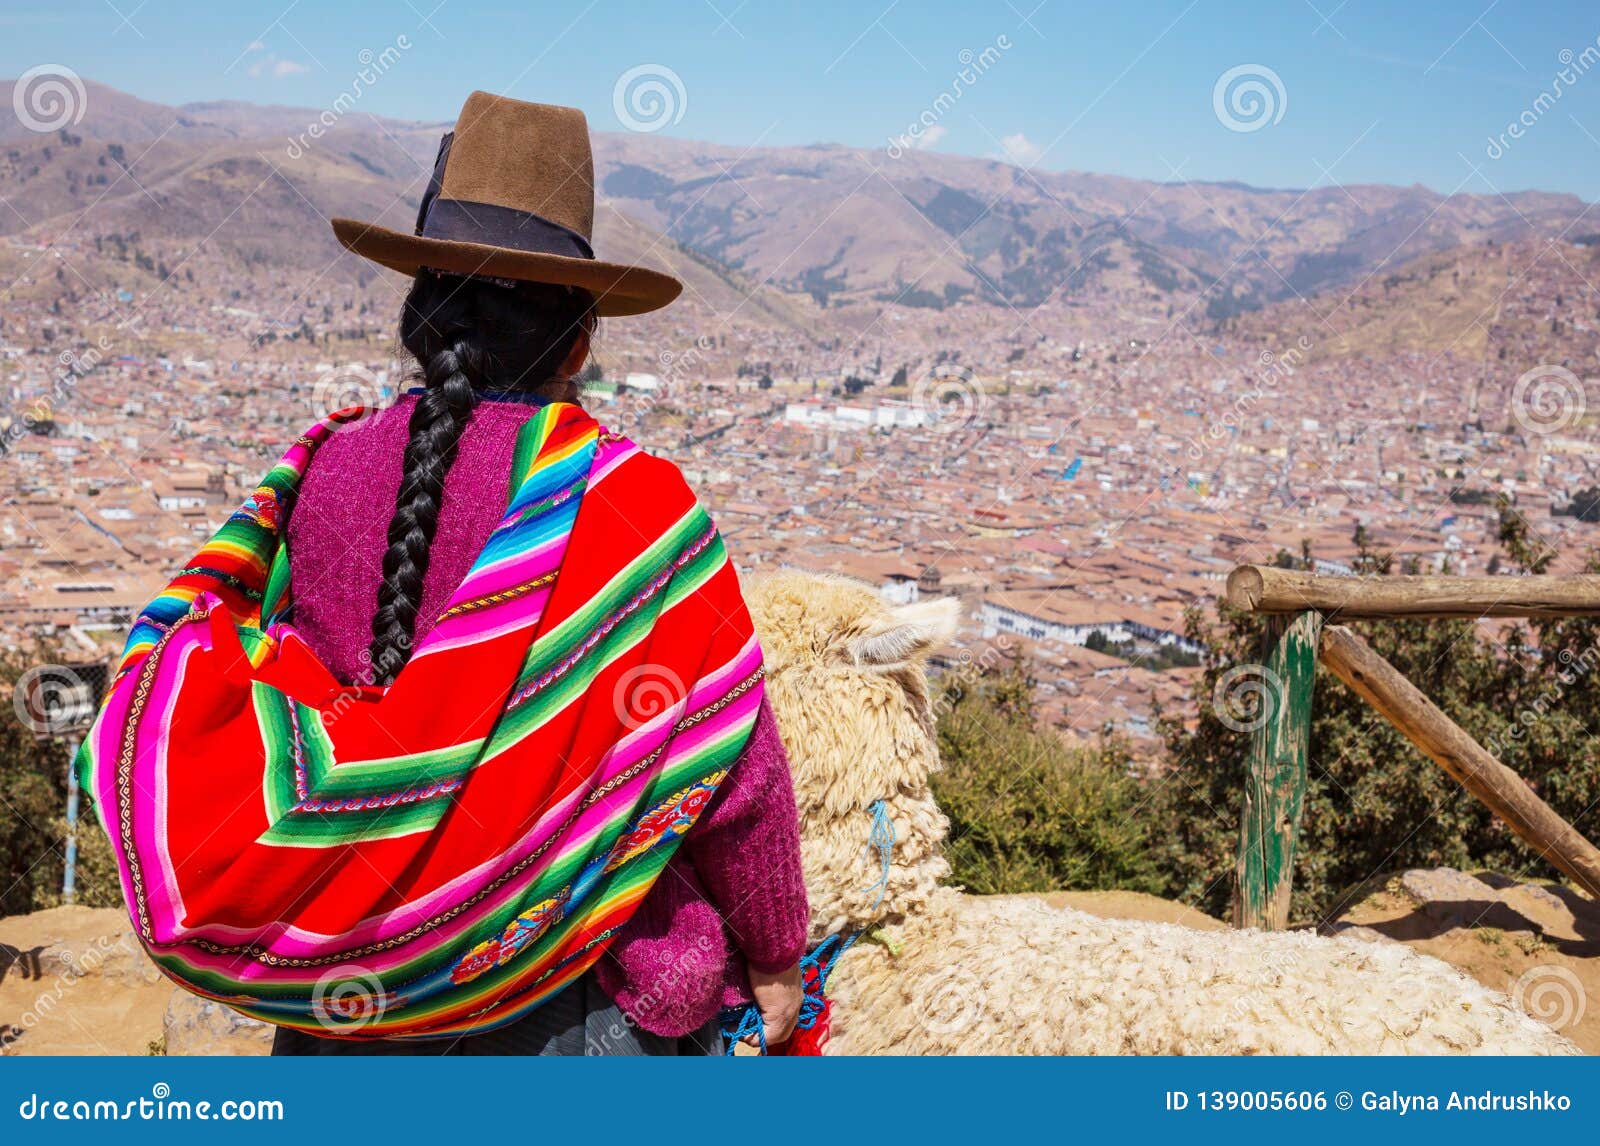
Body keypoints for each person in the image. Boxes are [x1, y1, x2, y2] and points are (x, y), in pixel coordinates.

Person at [78, 93, 808, 1057]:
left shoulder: (326, 466)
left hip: (346, 985)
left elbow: (272, 670)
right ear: (580, 340)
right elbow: (739, 781)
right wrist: (776, 953)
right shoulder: (637, 511)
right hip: (567, 994)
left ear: (417, 317)